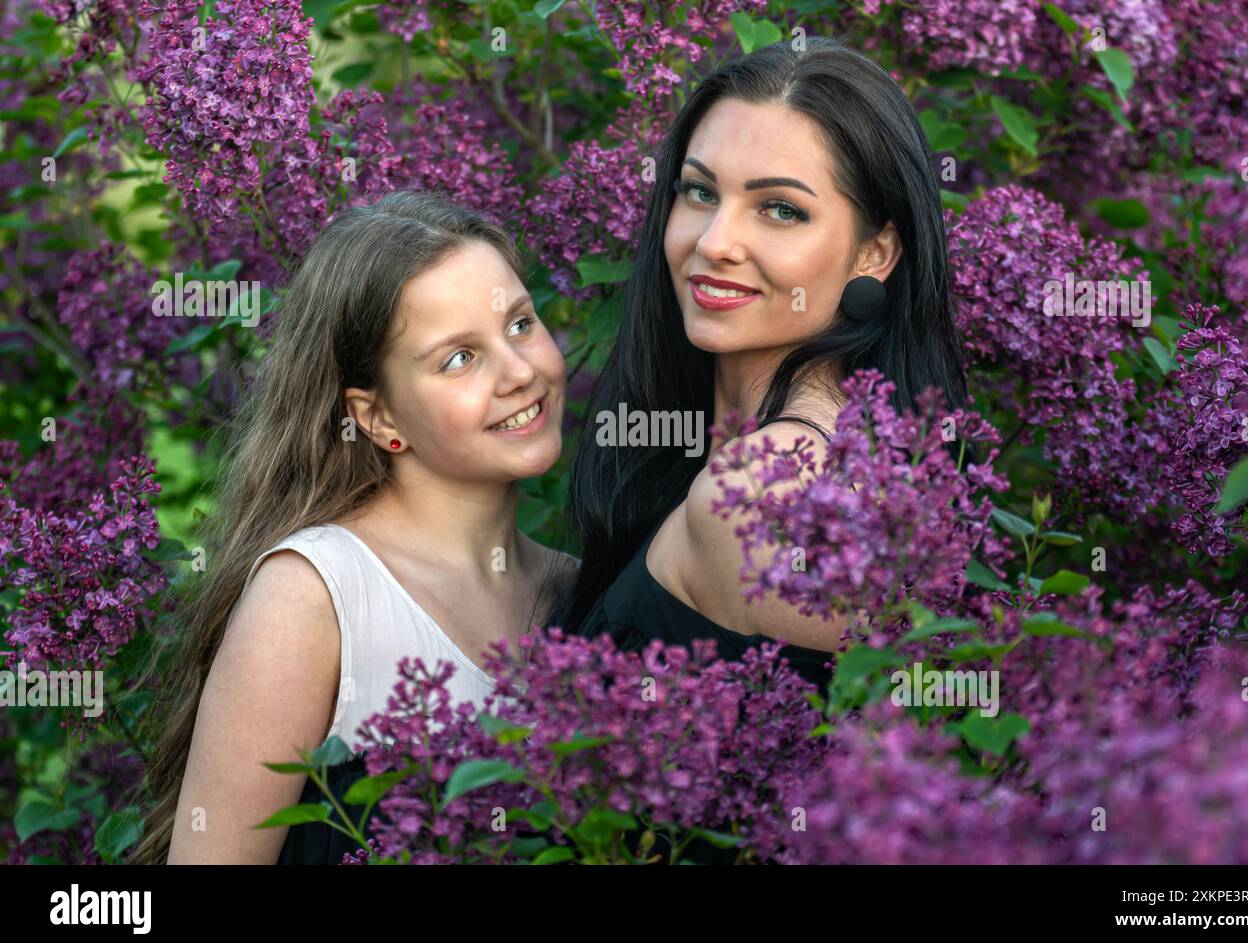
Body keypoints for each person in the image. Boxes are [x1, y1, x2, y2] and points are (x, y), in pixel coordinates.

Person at [133, 191, 574, 864]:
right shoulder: (316, 596)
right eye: (459, 358)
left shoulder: (581, 588)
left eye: (519, 324)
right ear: (377, 418)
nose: (520, 372)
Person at [551, 35, 972, 703]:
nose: (715, 242)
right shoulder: (854, 452)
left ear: (877, 251)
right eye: (699, 192)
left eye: (781, 209)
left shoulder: (760, 498)